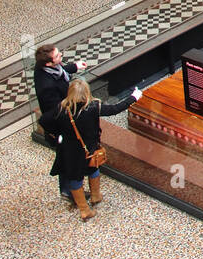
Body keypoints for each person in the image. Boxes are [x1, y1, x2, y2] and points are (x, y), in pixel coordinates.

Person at [42, 78, 139, 221]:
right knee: (93, 167)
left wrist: (57, 135)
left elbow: (44, 120)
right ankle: (95, 196)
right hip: (90, 148)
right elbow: (115, 109)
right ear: (86, 92)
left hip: (70, 151)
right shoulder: (93, 107)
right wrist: (133, 97)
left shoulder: (62, 108)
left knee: (75, 177)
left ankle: (84, 209)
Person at [34, 44, 90, 201]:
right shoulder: (46, 86)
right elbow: (54, 113)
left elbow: (61, 70)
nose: (61, 57)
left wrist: (74, 66)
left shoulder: (48, 69)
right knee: (66, 158)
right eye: (58, 56)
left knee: (67, 158)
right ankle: (68, 191)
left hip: (65, 121)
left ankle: (70, 188)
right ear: (48, 63)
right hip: (61, 128)